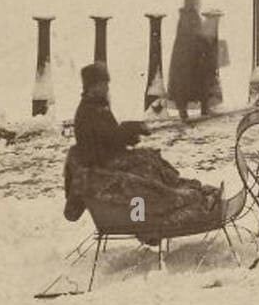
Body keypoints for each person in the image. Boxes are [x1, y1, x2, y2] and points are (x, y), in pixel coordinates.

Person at [64, 63, 222, 231]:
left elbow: (111, 136)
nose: (107, 87)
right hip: (103, 167)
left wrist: (131, 131)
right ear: (92, 86)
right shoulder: (87, 113)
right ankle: (150, 217)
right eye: (103, 84)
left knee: (150, 160)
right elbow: (107, 140)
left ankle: (186, 191)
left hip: (111, 160)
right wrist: (130, 130)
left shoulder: (98, 106)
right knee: (145, 176)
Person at [167, 0, 206, 122]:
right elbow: (197, 36)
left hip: (182, 57)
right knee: (197, 82)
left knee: (182, 85)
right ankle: (202, 109)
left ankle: (183, 111)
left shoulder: (184, 16)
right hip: (191, 56)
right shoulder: (193, 17)